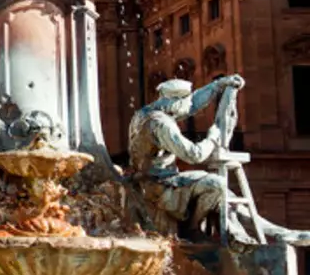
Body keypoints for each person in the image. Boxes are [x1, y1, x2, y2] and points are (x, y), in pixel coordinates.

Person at [130, 76, 310, 245]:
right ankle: (192, 230)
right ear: (176, 101)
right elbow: (194, 155)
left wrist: (218, 85)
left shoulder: (146, 113)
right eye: (186, 101)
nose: (190, 108)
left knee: (228, 198)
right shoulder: (162, 125)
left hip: (154, 181)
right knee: (215, 185)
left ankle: (278, 234)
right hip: (159, 187)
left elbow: (192, 104)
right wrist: (213, 137)